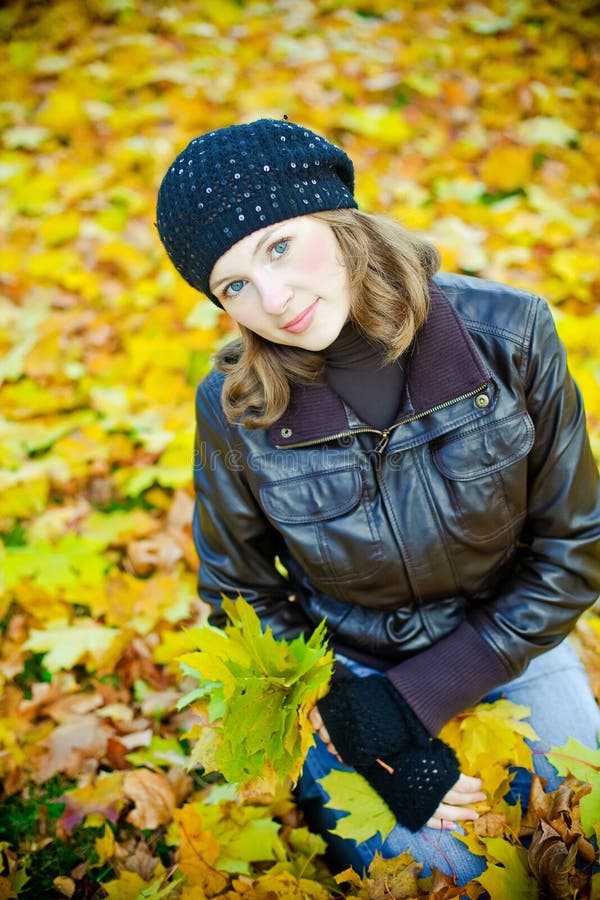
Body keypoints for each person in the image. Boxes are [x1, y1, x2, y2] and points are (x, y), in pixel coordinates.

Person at [156, 118, 600, 884]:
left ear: (338, 218)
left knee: (586, 833)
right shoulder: (233, 406)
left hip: (510, 639)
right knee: (448, 877)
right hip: (348, 676)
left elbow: (576, 545)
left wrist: (431, 691)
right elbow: (240, 593)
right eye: (234, 285)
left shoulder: (511, 335)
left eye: (279, 246)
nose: (274, 298)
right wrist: (346, 719)